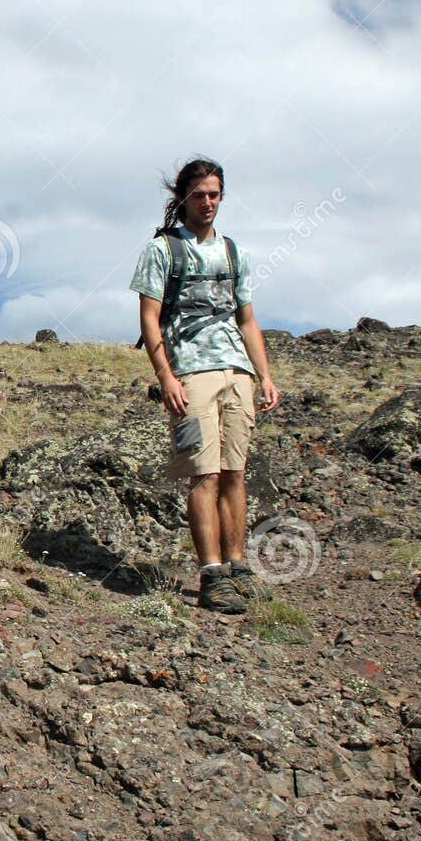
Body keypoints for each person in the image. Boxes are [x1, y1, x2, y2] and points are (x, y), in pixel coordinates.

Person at [130, 158, 281, 614]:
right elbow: (149, 318)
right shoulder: (162, 250)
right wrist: (166, 377)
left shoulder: (233, 253)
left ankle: (238, 567)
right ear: (183, 198)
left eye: (214, 194)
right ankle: (212, 574)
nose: (208, 202)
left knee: (235, 472)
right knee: (204, 473)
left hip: (237, 371)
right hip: (191, 374)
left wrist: (264, 375)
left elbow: (247, 319)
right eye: (199, 195)